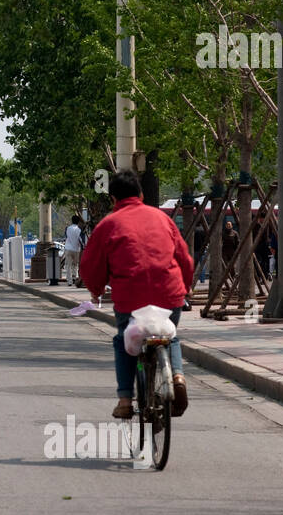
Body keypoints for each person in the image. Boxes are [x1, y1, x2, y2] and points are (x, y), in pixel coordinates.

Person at [80, 170, 194, 420]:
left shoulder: (108, 224)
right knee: (169, 335)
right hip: (169, 293)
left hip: (130, 299)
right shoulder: (162, 218)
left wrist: (96, 290)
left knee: (123, 341)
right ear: (141, 194)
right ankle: (177, 376)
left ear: (113, 199)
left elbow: (90, 265)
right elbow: (184, 258)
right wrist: (185, 287)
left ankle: (124, 400)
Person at [64, 215, 85, 286]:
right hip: (76, 249)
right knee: (75, 265)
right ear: (78, 221)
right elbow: (81, 240)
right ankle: (74, 277)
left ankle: (69, 281)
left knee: (68, 265)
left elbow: (66, 236)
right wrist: (83, 246)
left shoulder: (67, 228)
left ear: (72, 221)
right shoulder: (79, 230)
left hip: (68, 248)